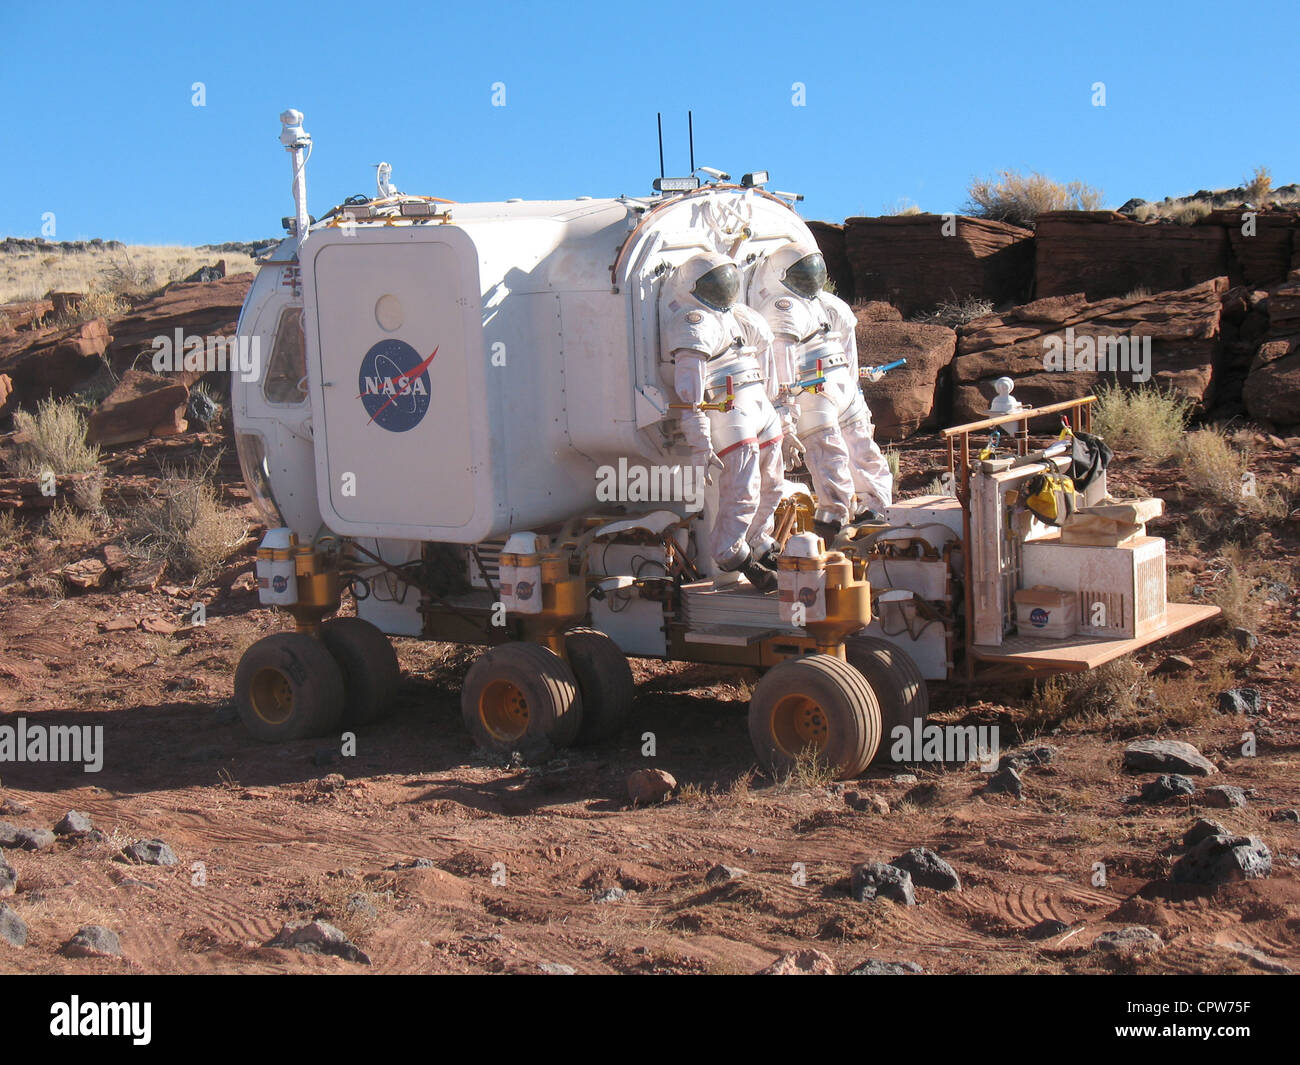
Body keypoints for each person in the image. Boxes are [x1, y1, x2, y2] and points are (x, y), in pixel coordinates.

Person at [660, 252, 793, 590]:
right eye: (715, 281)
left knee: (773, 483)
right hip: (727, 407)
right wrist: (700, 442)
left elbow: (769, 367)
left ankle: (758, 541)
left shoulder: (741, 317)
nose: (724, 287)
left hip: (757, 401)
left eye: (726, 279)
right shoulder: (692, 322)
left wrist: (785, 419)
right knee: (743, 488)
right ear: (693, 287)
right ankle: (732, 554)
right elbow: (690, 394)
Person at [751, 243, 893, 540]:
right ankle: (875, 507)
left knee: (830, 455)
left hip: (814, 389)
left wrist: (785, 411)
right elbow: (850, 355)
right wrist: (856, 393)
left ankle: (835, 517)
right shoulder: (829, 303)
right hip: (841, 383)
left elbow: (783, 365)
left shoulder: (781, 306)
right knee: (860, 450)